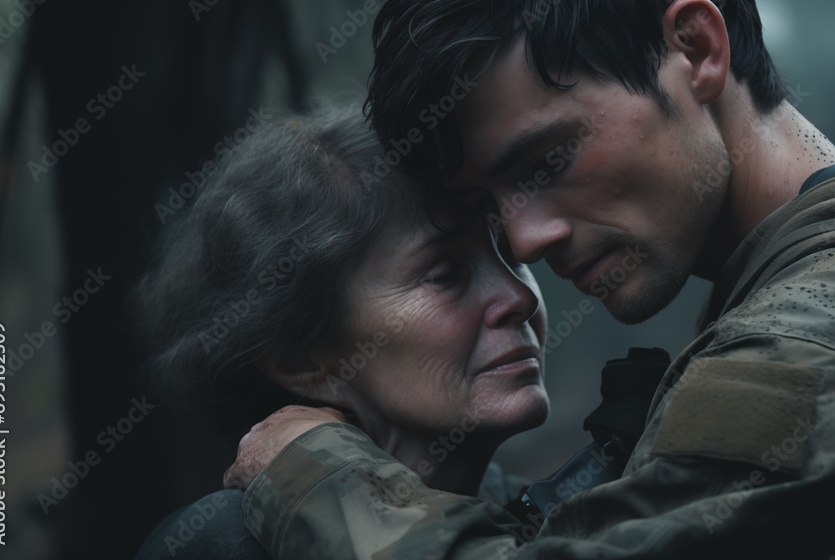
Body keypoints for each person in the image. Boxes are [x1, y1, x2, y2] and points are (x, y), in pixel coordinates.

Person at [224, 1, 835, 558]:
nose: (524, 242)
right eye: (490, 207)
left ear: (696, 47)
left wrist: (313, 475)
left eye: (547, 161)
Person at [131, 107, 553, 559]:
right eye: (445, 274)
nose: (519, 297)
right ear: (302, 361)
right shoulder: (223, 546)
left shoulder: (565, 521)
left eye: (509, 251)